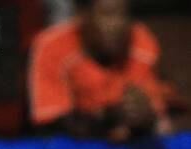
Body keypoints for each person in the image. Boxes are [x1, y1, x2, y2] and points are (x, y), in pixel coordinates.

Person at [28, 0, 171, 141]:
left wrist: (145, 117)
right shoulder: (52, 46)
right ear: (83, 15)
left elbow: (159, 119)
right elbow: (50, 126)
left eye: (124, 15)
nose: (118, 24)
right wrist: (110, 116)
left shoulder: (141, 42)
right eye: (107, 14)